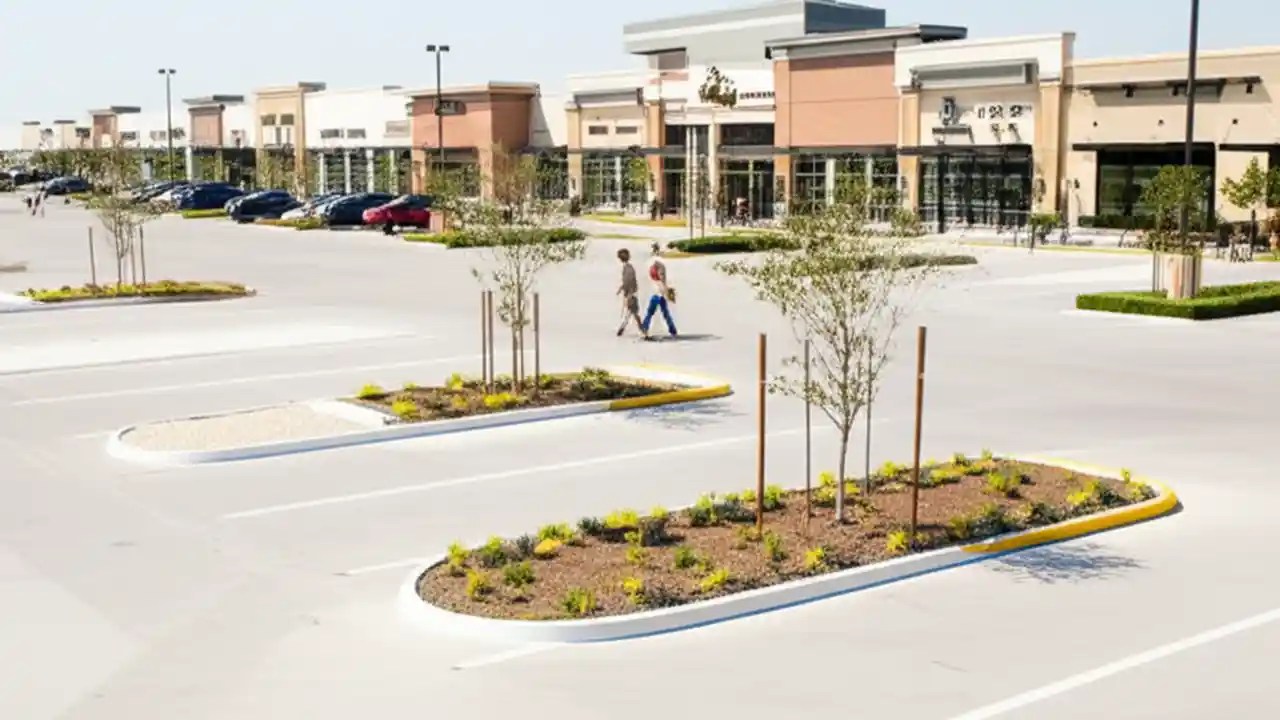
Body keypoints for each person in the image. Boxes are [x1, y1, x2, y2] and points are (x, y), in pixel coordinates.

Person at [641, 242, 677, 339]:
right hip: (660, 291)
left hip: (655, 291)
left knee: (652, 311)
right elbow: (662, 278)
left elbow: (652, 277)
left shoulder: (650, 262)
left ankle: (645, 327)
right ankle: (672, 329)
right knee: (663, 312)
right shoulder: (660, 263)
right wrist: (666, 289)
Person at [615, 248, 645, 337]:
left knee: (633, 312)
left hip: (630, 293)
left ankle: (640, 330)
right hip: (630, 293)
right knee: (632, 312)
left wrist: (629, 293)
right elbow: (627, 281)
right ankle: (624, 328)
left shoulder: (628, 268)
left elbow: (629, 281)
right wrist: (622, 288)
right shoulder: (628, 267)